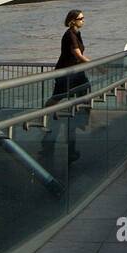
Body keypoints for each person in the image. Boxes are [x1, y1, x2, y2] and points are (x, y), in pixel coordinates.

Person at [41, 10, 91, 163]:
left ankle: (81, 119)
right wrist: (96, 65)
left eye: (83, 18)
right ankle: (43, 114)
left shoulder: (77, 33)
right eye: (80, 18)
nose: (83, 20)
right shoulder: (70, 35)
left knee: (86, 90)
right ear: (72, 20)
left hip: (75, 72)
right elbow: (78, 55)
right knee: (57, 97)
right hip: (66, 73)